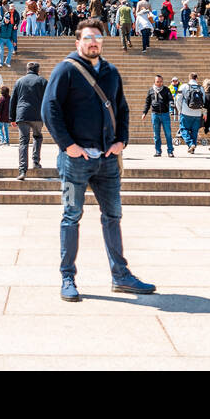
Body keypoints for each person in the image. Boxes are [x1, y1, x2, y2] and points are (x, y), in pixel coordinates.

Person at [42, 19, 154, 302]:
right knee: (70, 216)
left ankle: (121, 275)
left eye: (98, 38)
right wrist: (68, 146)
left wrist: (122, 141)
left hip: (106, 161)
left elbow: (123, 109)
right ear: (77, 41)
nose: (94, 42)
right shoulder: (65, 70)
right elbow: (49, 109)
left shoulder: (111, 72)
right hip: (74, 162)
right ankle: (67, 277)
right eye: (89, 38)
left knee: (113, 216)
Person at [11, 61, 47, 181]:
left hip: (23, 114)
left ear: (27, 70)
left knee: (23, 142)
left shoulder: (19, 81)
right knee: (37, 137)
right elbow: (48, 99)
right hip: (37, 115)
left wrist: (12, 117)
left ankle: (22, 170)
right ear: (38, 70)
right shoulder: (42, 81)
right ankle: (36, 161)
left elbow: (13, 100)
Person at [142, 74, 175, 157]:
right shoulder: (151, 91)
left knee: (168, 134)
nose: (159, 83)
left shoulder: (166, 90)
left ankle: (170, 151)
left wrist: (171, 103)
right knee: (156, 135)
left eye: (161, 81)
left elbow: (170, 98)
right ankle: (158, 151)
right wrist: (144, 113)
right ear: (154, 82)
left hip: (165, 114)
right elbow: (147, 103)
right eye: (157, 82)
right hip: (155, 115)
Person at [174, 72, 205, 154]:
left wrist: (180, 110)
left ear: (189, 78)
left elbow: (178, 99)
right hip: (197, 114)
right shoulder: (201, 88)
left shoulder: (184, 86)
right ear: (196, 78)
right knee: (195, 131)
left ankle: (191, 144)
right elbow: (204, 101)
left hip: (186, 112)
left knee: (183, 129)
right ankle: (192, 148)